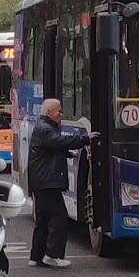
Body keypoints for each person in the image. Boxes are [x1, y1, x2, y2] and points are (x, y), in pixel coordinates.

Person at [28, 99, 97, 268]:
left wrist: (68, 154)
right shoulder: (45, 129)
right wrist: (85, 139)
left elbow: (52, 148)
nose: (61, 115)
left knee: (43, 220)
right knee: (59, 218)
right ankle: (53, 255)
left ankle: (36, 256)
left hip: (41, 180)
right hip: (47, 181)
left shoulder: (44, 128)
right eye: (58, 111)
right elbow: (60, 142)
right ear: (49, 113)